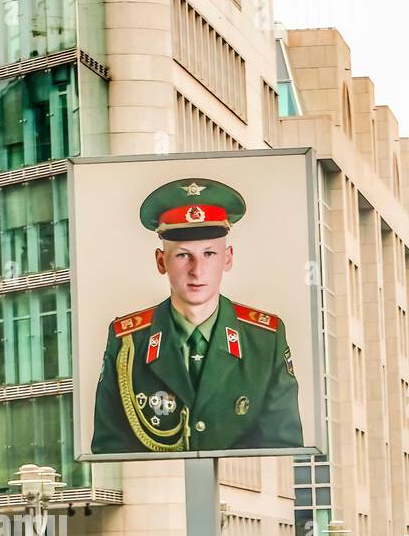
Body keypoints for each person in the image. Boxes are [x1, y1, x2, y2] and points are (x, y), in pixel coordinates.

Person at [91, 178, 303, 455]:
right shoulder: (128, 339)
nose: (197, 270)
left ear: (227, 259)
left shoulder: (264, 338)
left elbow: (283, 446)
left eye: (209, 254)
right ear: (160, 261)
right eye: (183, 256)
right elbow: (109, 447)